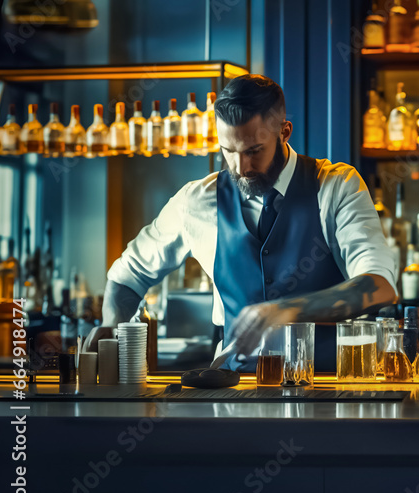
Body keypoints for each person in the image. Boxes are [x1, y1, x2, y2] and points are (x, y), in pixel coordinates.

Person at [84, 74, 397, 371]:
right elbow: (128, 275)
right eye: (228, 151)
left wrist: (288, 309)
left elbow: (380, 286)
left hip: (327, 388)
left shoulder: (335, 186)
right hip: (234, 388)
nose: (241, 167)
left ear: (284, 132)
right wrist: (110, 324)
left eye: (254, 151)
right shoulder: (197, 200)